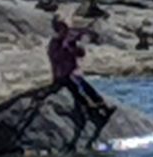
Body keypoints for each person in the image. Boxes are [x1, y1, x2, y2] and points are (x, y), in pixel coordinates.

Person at [45, 11, 113, 144]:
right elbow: (56, 58)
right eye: (61, 28)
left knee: (86, 86)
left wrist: (78, 46)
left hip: (72, 74)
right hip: (61, 76)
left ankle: (102, 105)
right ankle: (89, 108)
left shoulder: (69, 41)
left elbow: (80, 54)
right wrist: (68, 49)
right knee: (75, 87)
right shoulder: (55, 43)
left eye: (65, 28)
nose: (64, 31)